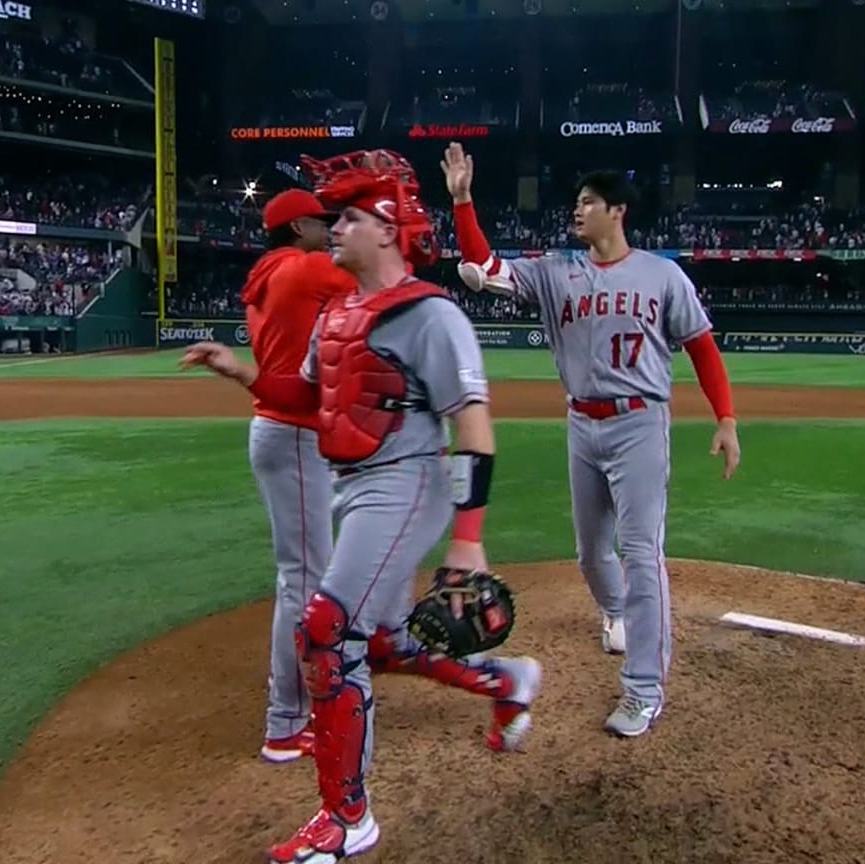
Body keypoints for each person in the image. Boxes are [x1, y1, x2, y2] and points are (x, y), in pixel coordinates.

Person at [181, 149, 542, 864]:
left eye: (348, 217)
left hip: (406, 485)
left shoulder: (432, 315)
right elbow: (306, 398)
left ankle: (348, 818)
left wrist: (467, 539)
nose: (335, 228)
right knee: (377, 643)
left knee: (326, 628)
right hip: (354, 486)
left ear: (387, 230)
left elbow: (473, 427)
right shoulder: (339, 313)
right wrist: (239, 372)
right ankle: (506, 681)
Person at [442, 142, 741, 738]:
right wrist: (463, 201)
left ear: (617, 210)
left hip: (639, 422)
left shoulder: (661, 275)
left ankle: (644, 689)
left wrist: (726, 419)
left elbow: (702, 347)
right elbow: (485, 265)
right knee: (590, 553)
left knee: (642, 553)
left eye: (587, 202)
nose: (576, 211)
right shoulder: (555, 272)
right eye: (576, 203)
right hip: (581, 423)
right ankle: (615, 613)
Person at [243, 188, 356, 764]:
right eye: (321, 222)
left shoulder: (268, 274)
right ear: (296, 228)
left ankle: (294, 710)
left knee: (304, 574)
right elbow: (376, 279)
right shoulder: (304, 270)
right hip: (293, 432)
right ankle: (284, 723)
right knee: (304, 579)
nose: (330, 230)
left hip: (282, 430)